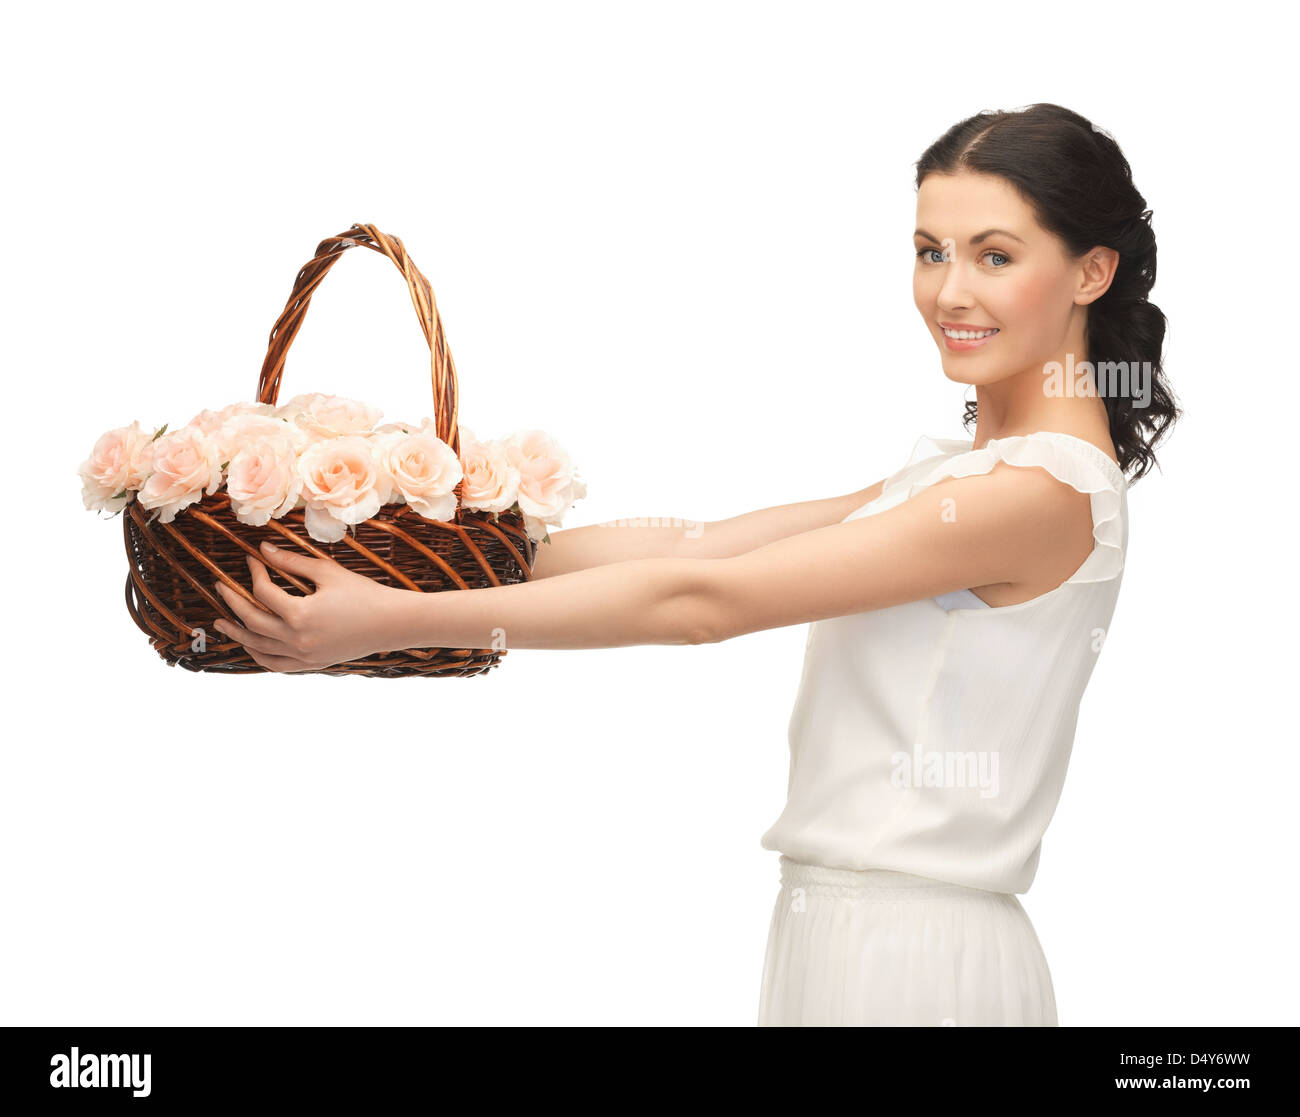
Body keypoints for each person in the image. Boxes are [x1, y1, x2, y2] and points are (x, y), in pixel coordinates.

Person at [212, 103, 1179, 1027]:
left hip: (915, 950)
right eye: (930, 252)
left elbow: (705, 602)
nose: (949, 290)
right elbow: (705, 544)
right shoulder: (965, 475)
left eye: (995, 256)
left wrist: (389, 618)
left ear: (1093, 271)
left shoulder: (1036, 491)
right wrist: (434, 549)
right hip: (852, 930)